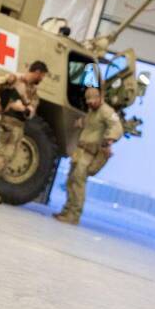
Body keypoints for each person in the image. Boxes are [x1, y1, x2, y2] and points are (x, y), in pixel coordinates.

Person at [0, 61, 49, 191]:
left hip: (18, 128)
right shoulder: (14, 79)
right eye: (42, 76)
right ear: (37, 72)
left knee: (7, 158)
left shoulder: (32, 91)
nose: (42, 79)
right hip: (8, 124)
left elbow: (31, 110)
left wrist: (24, 109)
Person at [54, 86, 123, 225]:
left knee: (79, 182)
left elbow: (117, 127)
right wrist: (80, 123)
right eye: (88, 101)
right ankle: (67, 210)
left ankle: (74, 215)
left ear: (99, 98)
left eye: (92, 101)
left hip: (89, 153)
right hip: (80, 151)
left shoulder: (106, 111)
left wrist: (109, 139)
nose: (90, 103)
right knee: (70, 181)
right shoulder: (92, 111)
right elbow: (89, 122)